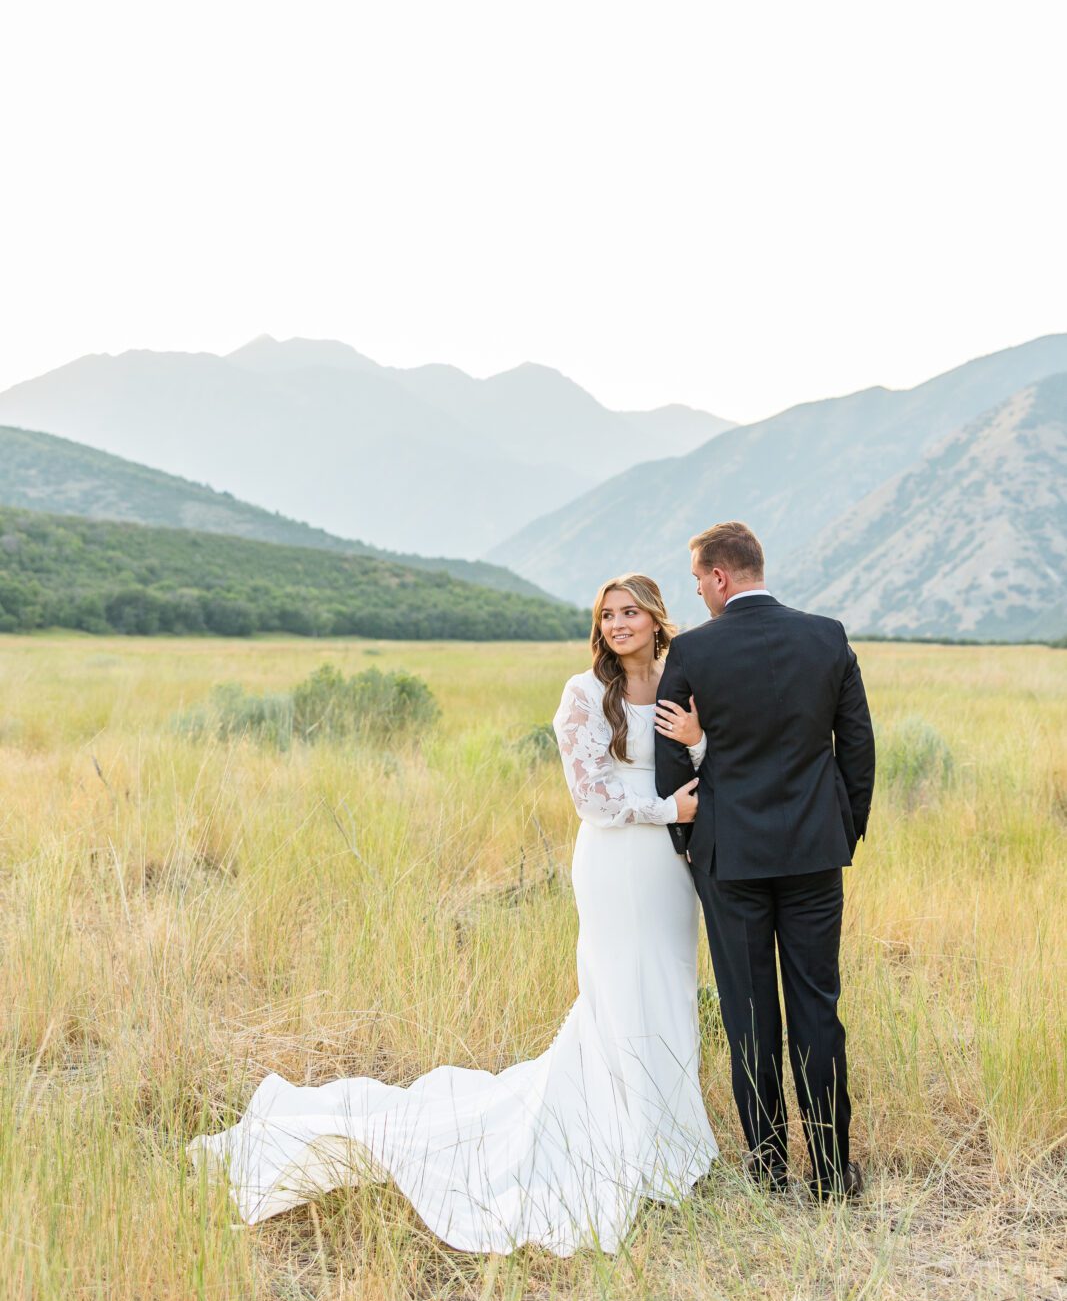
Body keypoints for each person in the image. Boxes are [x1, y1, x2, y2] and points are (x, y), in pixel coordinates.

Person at [186, 574, 717, 1254]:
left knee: (668, 987)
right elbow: (590, 799)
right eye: (607, 615)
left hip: (670, 870)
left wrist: (697, 745)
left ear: (654, 619)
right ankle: (619, 1136)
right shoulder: (584, 695)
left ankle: (670, 1135)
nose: (617, 624)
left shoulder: (682, 681)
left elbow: (705, 762)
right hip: (615, 861)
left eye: (629, 613)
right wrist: (664, 810)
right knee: (618, 991)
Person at [654, 521, 876, 1199]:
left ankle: (770, 1168)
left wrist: (691, 850)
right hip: (814, 855)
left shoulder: (693, 650)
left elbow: (671, 766)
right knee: (817, 1009)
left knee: (749, 1014)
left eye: (697, 581)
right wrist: (841, 830)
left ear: (720, 576)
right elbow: (857, 749)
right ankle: (834, 1175)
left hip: (730, 861)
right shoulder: (826, 635)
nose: (697, 593)